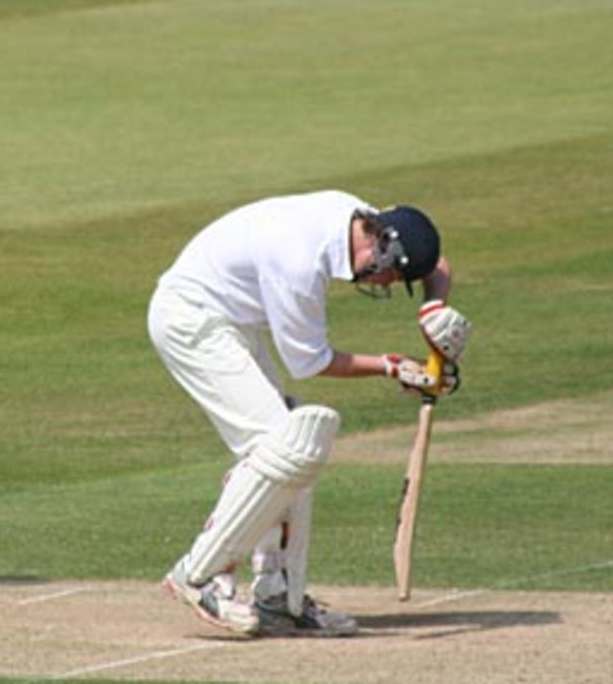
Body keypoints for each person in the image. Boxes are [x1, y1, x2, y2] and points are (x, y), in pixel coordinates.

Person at [148, 189, 471, 636]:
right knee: (283, 444)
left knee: (296, 443)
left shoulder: (366, 220)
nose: (386, 286)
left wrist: (434, 308)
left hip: (232, 320)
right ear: (382, 251)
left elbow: (437, 265)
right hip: (192, 320)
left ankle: (279, 595)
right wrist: (394, 367)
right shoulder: (298, 261)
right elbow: (312, 362)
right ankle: (199, 574)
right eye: (394, 279)